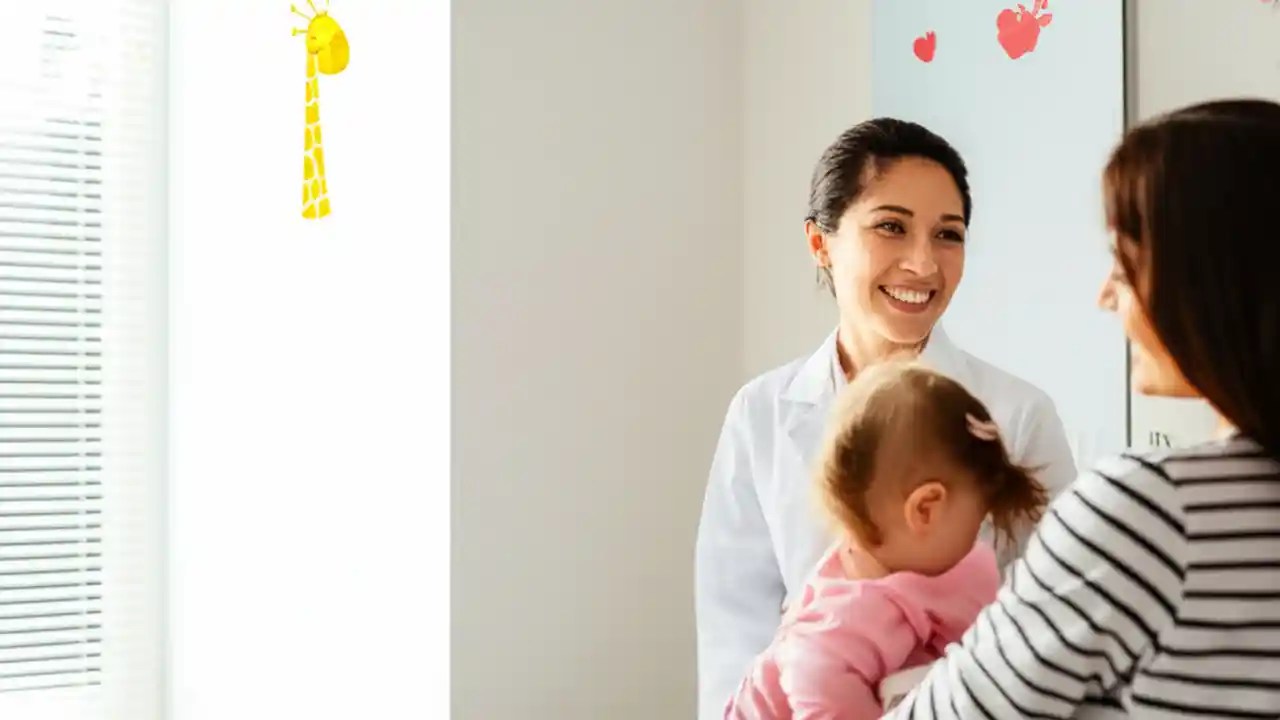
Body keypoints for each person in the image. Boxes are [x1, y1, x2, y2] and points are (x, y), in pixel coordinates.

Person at [886, 99, 1280, 717]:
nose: (1105, 294)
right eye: (890, 227)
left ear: (1208, 281)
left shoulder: (1155, 512)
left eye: (1124, 262)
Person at [694, 118, 1079, 720]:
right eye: (891, 228)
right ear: (821, 243)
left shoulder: (1017, 414)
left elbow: (1057, 627)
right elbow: (733, 630)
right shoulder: (762, 412)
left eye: (948, 235)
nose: (923, 265)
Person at [723, 361, 1049, 719]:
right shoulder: (842, 621)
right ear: (925, 508)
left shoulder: (955, 565)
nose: (980, 532)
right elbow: (816, 685)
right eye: (978, 516)